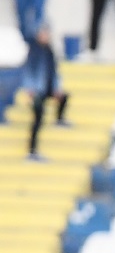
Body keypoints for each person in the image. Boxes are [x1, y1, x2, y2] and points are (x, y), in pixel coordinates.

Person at [18, 21, 68, 161]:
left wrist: (57, 88)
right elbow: (28, 71)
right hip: (37, 90)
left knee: (64, 97)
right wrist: (30, 89)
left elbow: (54, 71)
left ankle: (59, 119)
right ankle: (32, 151)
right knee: (37, 120)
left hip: (48, 88)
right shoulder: (34, 50)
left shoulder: (49, 51)